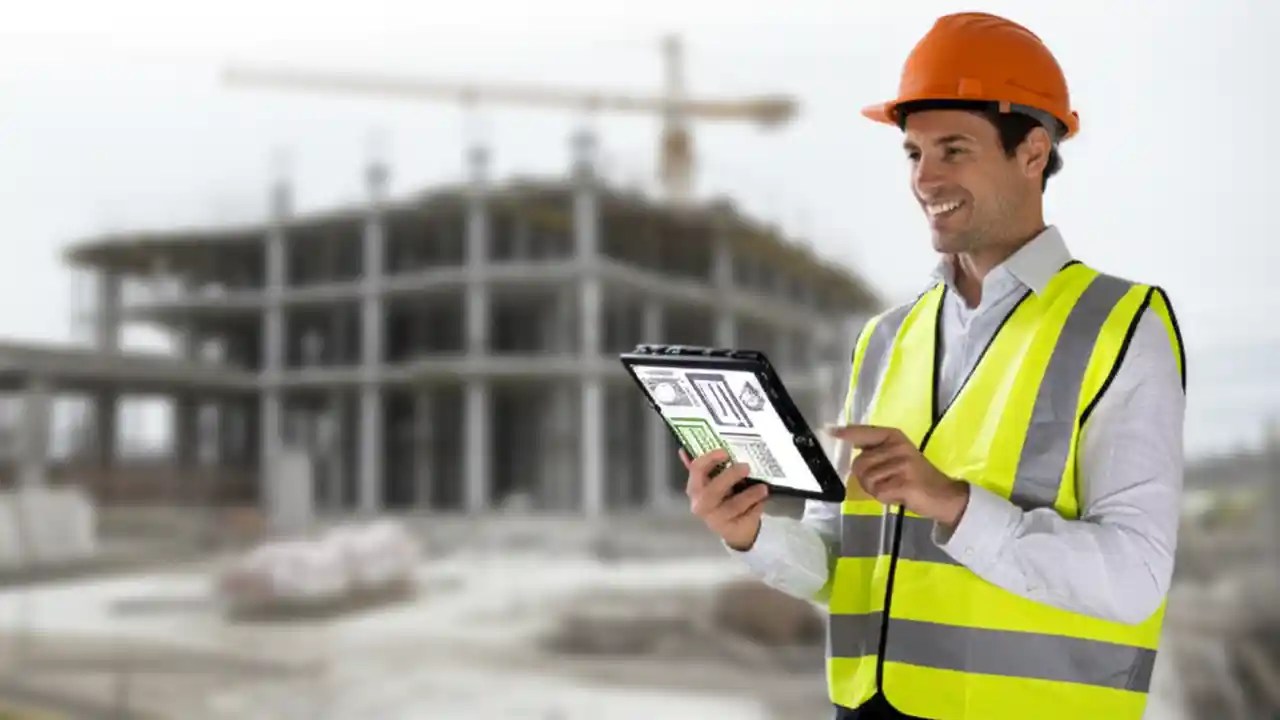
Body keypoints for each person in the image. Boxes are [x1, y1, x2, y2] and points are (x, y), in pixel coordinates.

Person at [682, 11, 1186, 720]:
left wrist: (952, 503)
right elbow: (838, 566)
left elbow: (1134, 578)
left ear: (1033, 152)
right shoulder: (887, 337)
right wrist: (749, 531)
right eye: (914, 153)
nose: (926, 177)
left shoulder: (1120, 326)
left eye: (954, 150)